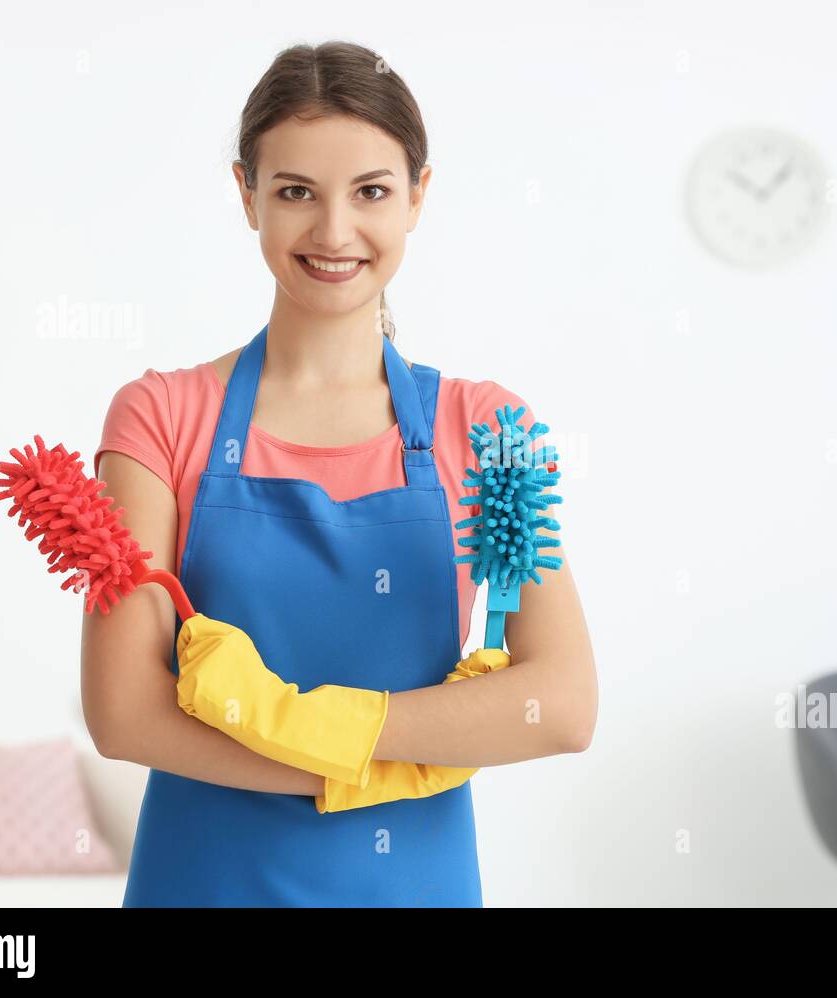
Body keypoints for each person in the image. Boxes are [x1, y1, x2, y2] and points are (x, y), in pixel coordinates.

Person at [81, 41, 597, 907]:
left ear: (418, 197)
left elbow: (562, 702)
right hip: (204, 884)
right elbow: (125, 710)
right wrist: (372, 763)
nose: (332, 232)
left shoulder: (489, 427)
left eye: (370, 192)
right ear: (247, 195)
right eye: (294, 193)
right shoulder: (160, 417)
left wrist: (307, 726)